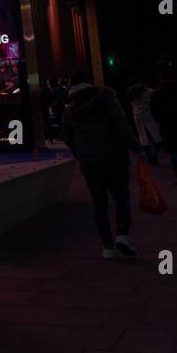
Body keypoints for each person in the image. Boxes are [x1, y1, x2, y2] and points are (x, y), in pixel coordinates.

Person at [61, 70, 142, 260]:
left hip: (89, 163)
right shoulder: (106, 99)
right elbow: (122, 126)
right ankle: (122, 235)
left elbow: (67, 137)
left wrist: (80, 154)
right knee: (122, 198)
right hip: (114, 158)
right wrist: (137, 149)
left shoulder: (70, 109)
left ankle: (107, 247)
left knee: (99, 204)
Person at [127, 81, 161, 165]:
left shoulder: (132, 96)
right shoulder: (148, 94)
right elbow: (154, 92)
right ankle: (154, 156)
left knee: (143, 138)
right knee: (156, 137)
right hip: (148, 116)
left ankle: (148, 157)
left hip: (137, 117)